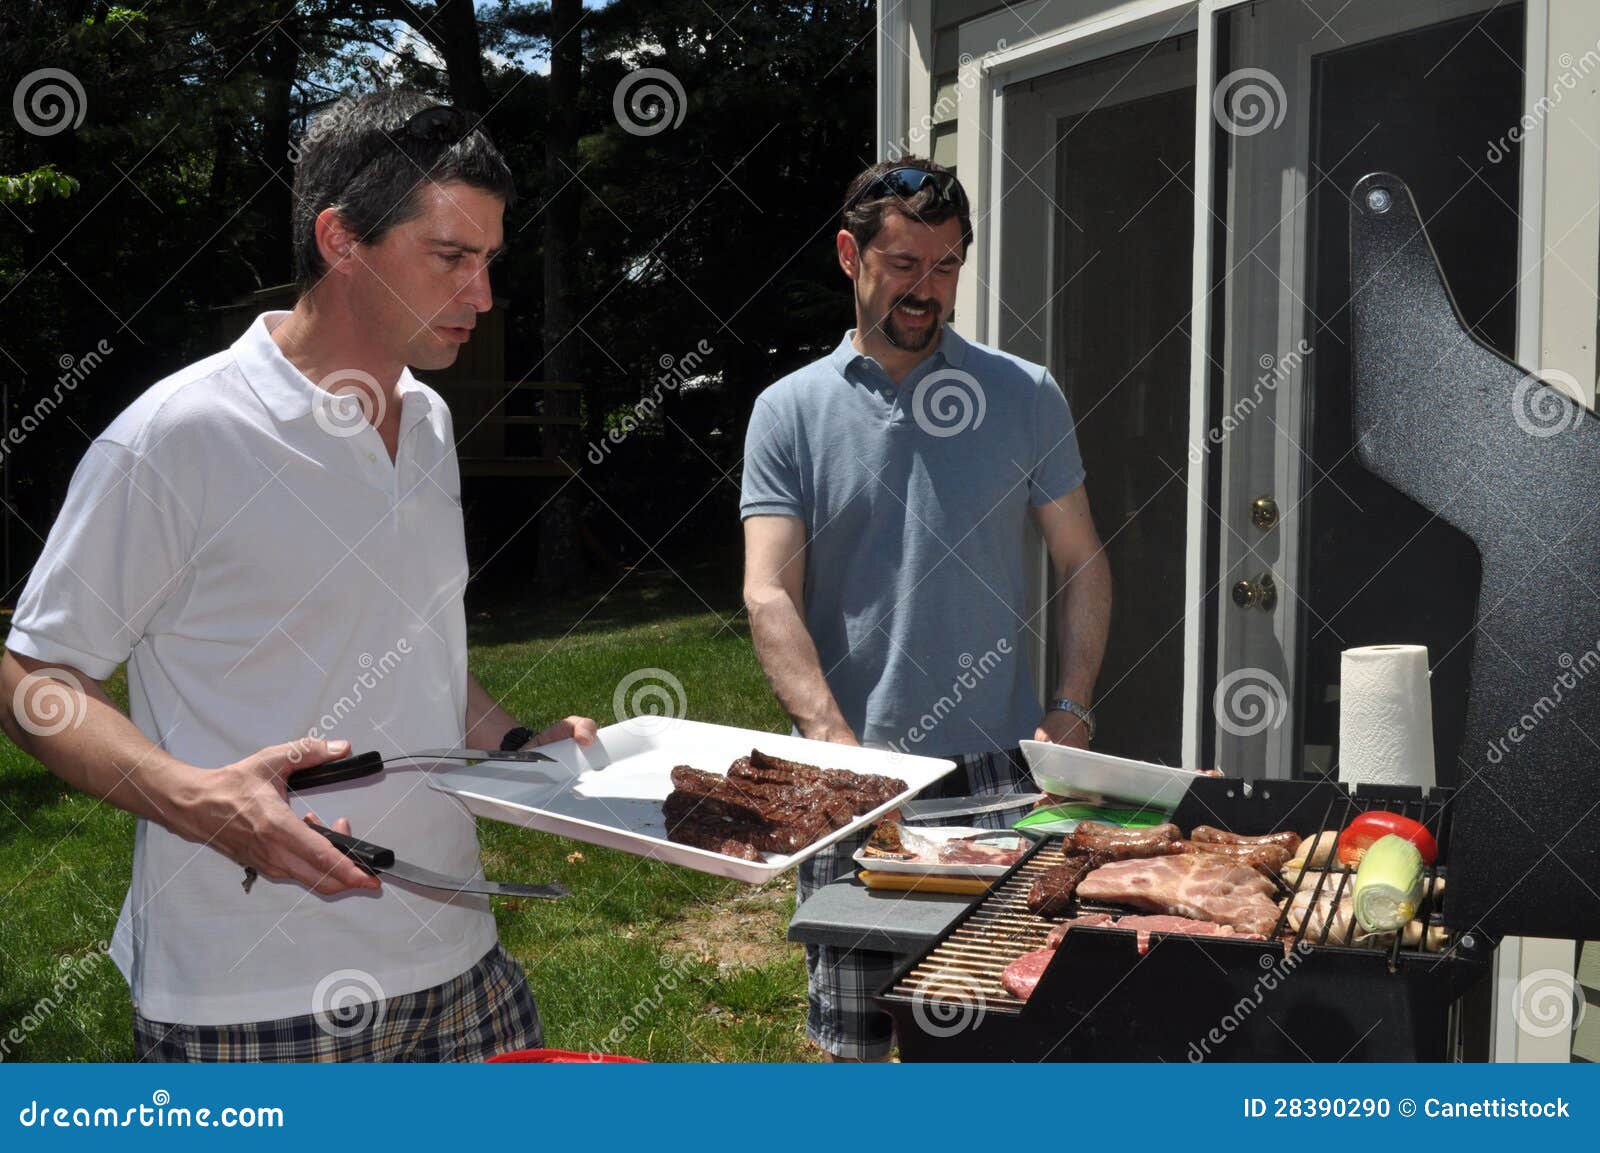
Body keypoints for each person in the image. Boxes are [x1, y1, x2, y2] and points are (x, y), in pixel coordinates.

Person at [0, 90, 596, 1062]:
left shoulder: (433, 422)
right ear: (341, 240)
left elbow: (415, 645)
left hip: (461, 959)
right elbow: (32, 678)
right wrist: (202, 801)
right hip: (254, 996)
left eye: (489, 260)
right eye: (452, 257)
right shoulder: (179, 434)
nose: (482, 295)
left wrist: (520, 744)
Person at [740, 158, 1112, 1061]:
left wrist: (1071, 706)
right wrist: (831, 740)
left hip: (1000, 785)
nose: (927, 289)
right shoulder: (788, 411)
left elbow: (1083, 559)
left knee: (996, 1053)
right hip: (855, 788)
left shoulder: (1024, 393)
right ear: (847, 254)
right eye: (904, 264)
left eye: (946, 266)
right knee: (860, 1055)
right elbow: (767, 589)